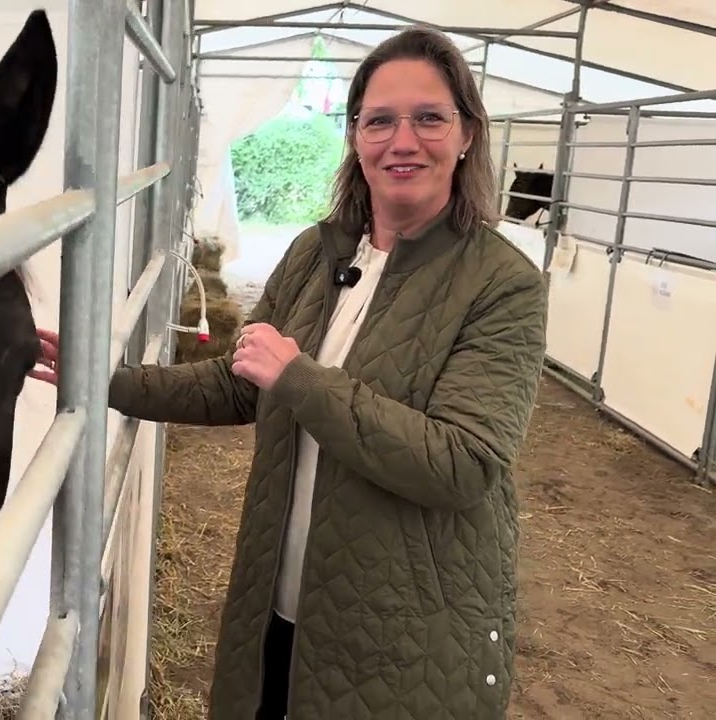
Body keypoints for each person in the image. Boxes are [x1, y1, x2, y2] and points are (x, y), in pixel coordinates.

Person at [29, 24, 549, 720]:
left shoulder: (501, 284)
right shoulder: (316, 252)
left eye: (429, 118)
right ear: (356, 136)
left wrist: (300, 378)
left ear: (467, 134)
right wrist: (107, 378)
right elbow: (239, 382)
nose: (403, 140)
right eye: (380, 121)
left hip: (402, 634)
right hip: (278, 604)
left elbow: (462, 462)